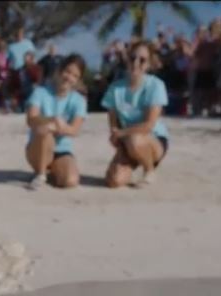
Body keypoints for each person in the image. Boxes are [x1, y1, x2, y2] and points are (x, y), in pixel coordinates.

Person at [102, 40, 170, 188]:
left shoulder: (156, 85)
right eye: (133, 58)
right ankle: (132, 161)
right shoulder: (115, 88)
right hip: (126, 138)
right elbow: (113, 122)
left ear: (149, 64)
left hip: (153, 139)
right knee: (114, 181)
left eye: (142, 60)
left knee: (135, 139)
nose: (136, 63)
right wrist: (115, 135)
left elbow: (149, 125)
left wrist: (120, 134)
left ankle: (149, 170)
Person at [24, 53, 87, 190]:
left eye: (75, 76)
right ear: (59, 70)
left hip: (61, 148)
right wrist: (52, 120)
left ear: (78, 80)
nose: (69, 77)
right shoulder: (40, 92)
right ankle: (40, 173)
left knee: (70, 181)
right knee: (44, 130)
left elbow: (74, 130)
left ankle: (53, 170)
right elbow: (31, 119)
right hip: (38, 147)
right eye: (67, 71)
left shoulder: (79, 100)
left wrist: (59, 128)